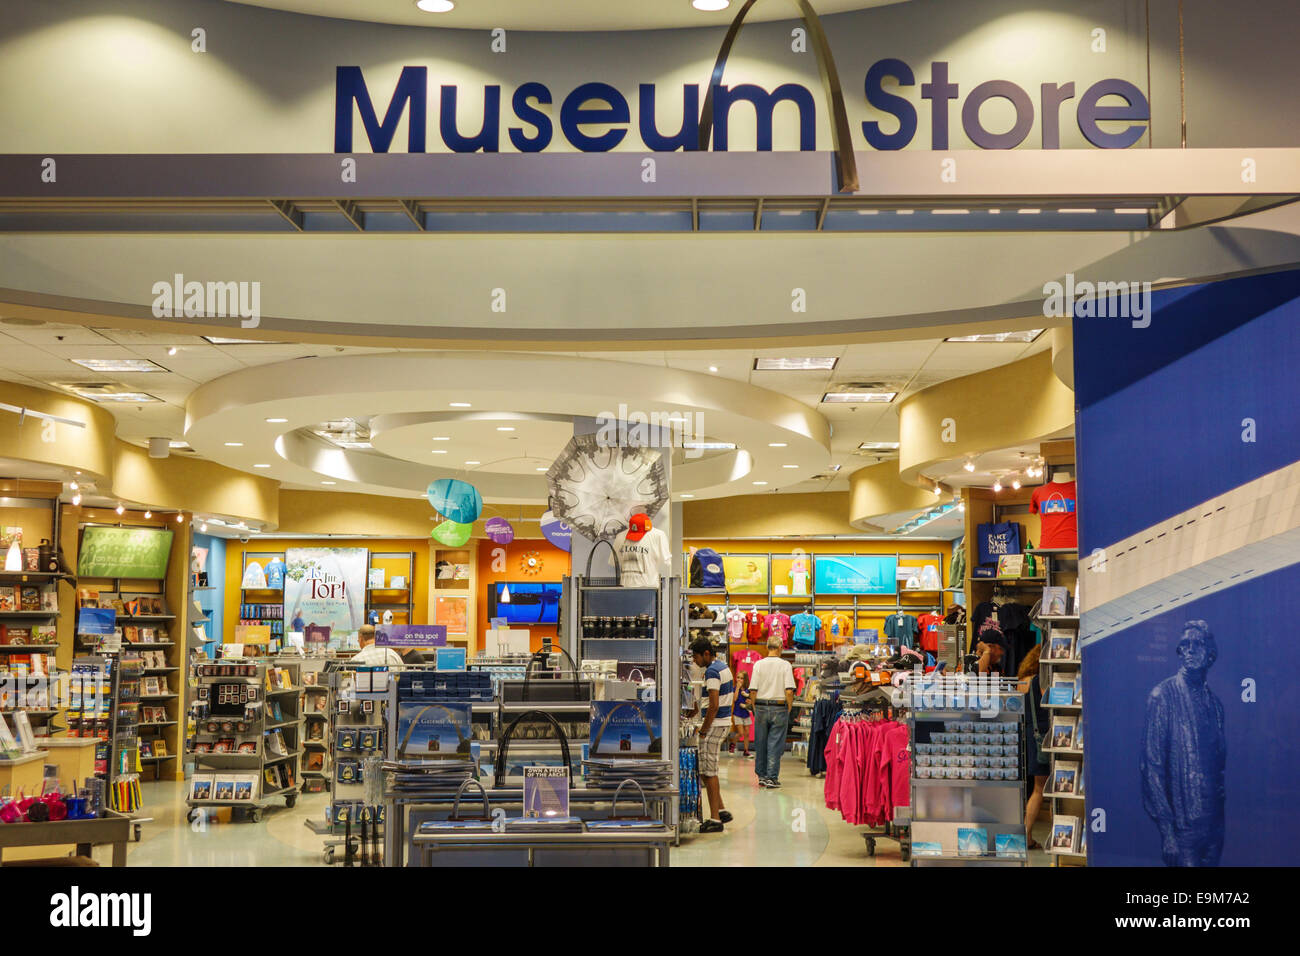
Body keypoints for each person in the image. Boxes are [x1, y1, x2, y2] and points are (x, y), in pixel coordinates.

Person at [1141, 620, 1226, 867]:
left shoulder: (1216, 705)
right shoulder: (1163, 696)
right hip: (1184, 826)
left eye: (1196, 644)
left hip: (1214, 824)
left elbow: (1219, 766)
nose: (1189, 650)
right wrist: (1167, 831)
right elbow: (1151, 768)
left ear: (1210, 654)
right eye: (1184, 645)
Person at [690, 637, 733, 833]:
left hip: (714, 725)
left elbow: (714, 706)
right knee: (708, 768)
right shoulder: (723, 666)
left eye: (696, 656)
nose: (695, 661)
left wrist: (704, 729)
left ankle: (715, 819)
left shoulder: (712, 672)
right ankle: (721, 809)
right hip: (723, 723)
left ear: (706, 653)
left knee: (709, 772)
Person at [748, 636, 796, 789]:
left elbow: (753, 690)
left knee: (760, 742)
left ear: (767, 647)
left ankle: (761, 775)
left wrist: (755, 707)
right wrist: (789, 707)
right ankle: (772, 777)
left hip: (761, 706)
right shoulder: (785, 665)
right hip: (779, 706)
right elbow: (789, 691)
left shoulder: (758, 664)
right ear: (780, 647)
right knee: (775, 743)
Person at [1017, 644, 1049, 850]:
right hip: (1043, 737)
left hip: (1028, 735)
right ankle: (1025, 835)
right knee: (1041, 790)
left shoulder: (1021, 681)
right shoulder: (1040, 682)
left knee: (1036, 788)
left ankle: (1026, 836)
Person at [729, 671, 752, 757]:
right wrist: (738, 688)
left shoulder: (747, 690)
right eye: (738, 677)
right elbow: (734, 699)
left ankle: (746, 750)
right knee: (741, 733)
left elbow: (751, 701)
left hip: (745, 713)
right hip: (737, 713)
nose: (739, 679)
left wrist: (748, 701)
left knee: (747, 733)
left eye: (741, 678)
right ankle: (732, 743)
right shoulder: (734, 689)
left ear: (745, 679)